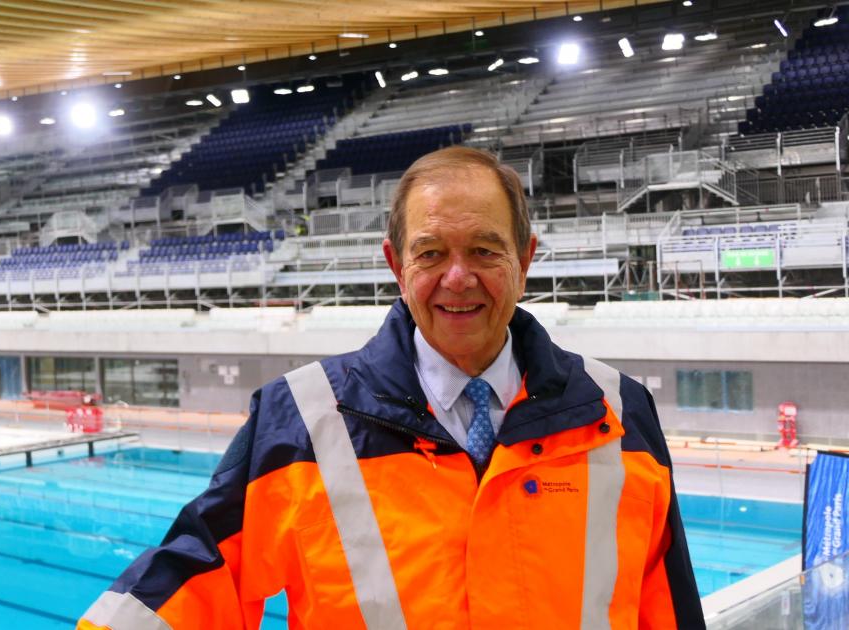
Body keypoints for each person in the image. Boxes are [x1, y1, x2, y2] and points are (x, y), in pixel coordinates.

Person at [79, 147, 704, 629]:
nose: (458, 279)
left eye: (485, 250)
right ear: (395, 265)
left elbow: (668, 609)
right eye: (431, 254)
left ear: (526, 257)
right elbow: (186, 584)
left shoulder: (617, 411)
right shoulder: (300, 421)